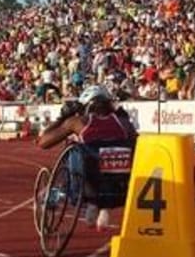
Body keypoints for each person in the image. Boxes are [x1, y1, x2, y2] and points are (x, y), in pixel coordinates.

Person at [37, 86, 138, 229]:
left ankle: (86, 200)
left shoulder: (78, 122)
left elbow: (43, 142)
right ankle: (103, 206)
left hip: (85, 185)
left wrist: (63, 118)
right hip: (119, 188)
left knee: (74, 150)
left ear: (86, 105)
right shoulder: (125, 123)